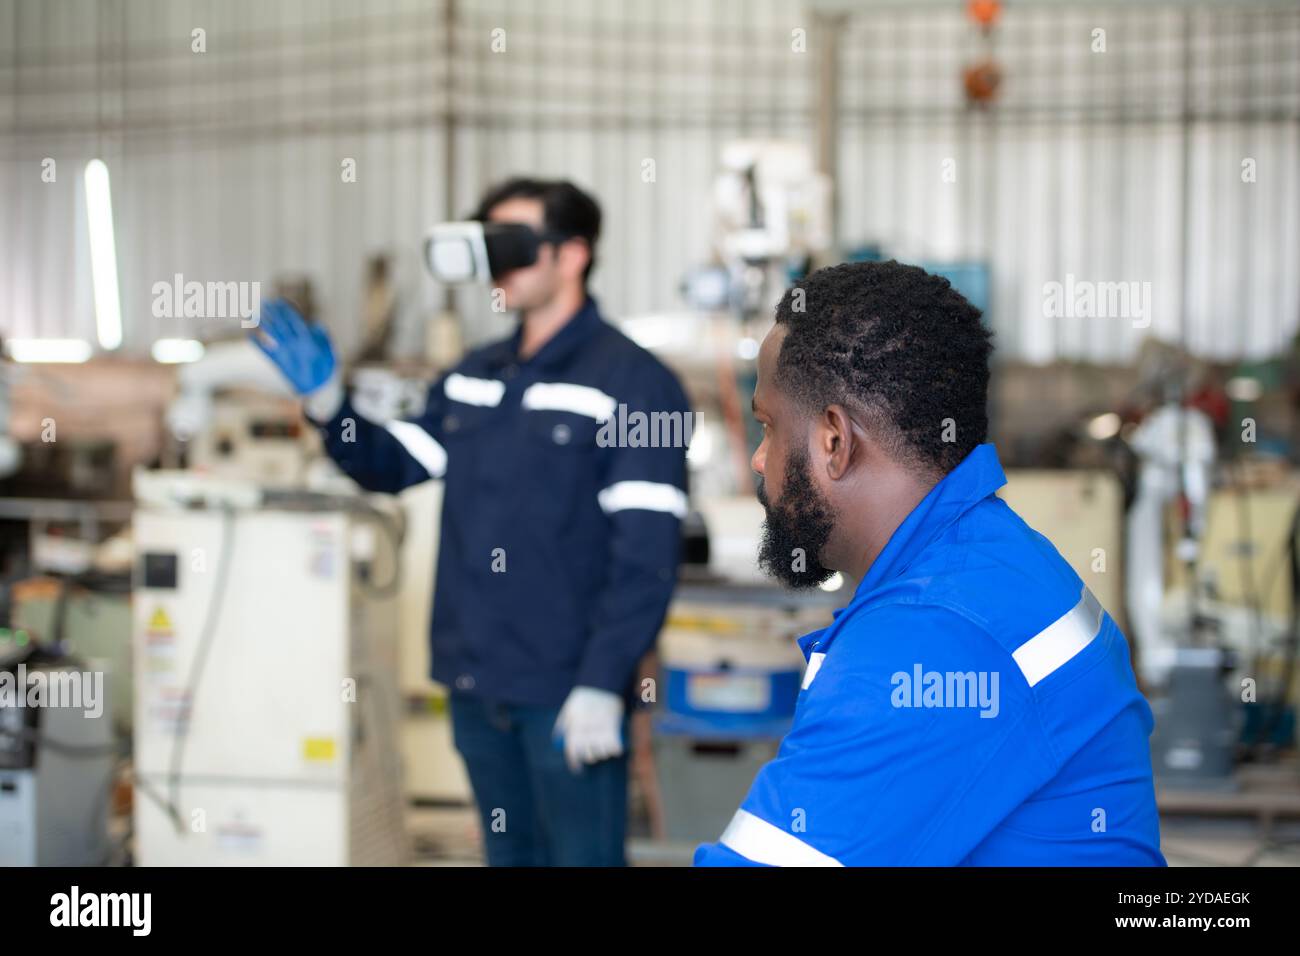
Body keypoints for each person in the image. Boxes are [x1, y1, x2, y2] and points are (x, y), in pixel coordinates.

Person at [255, 178, 690, 866]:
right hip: (476, 684)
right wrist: (326, 403)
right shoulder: (472, 377)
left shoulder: (634, 384)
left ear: (572, 255)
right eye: (487, 249)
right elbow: (392, 464)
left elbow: (647, 555)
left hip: (566, 692)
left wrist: (604, 683)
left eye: (512, 247)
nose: (498, 269)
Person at [695, 260, 1164, 866]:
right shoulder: (989, 557)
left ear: (834, 440)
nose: (760, 461)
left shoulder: (932, 635)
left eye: (768, 426)